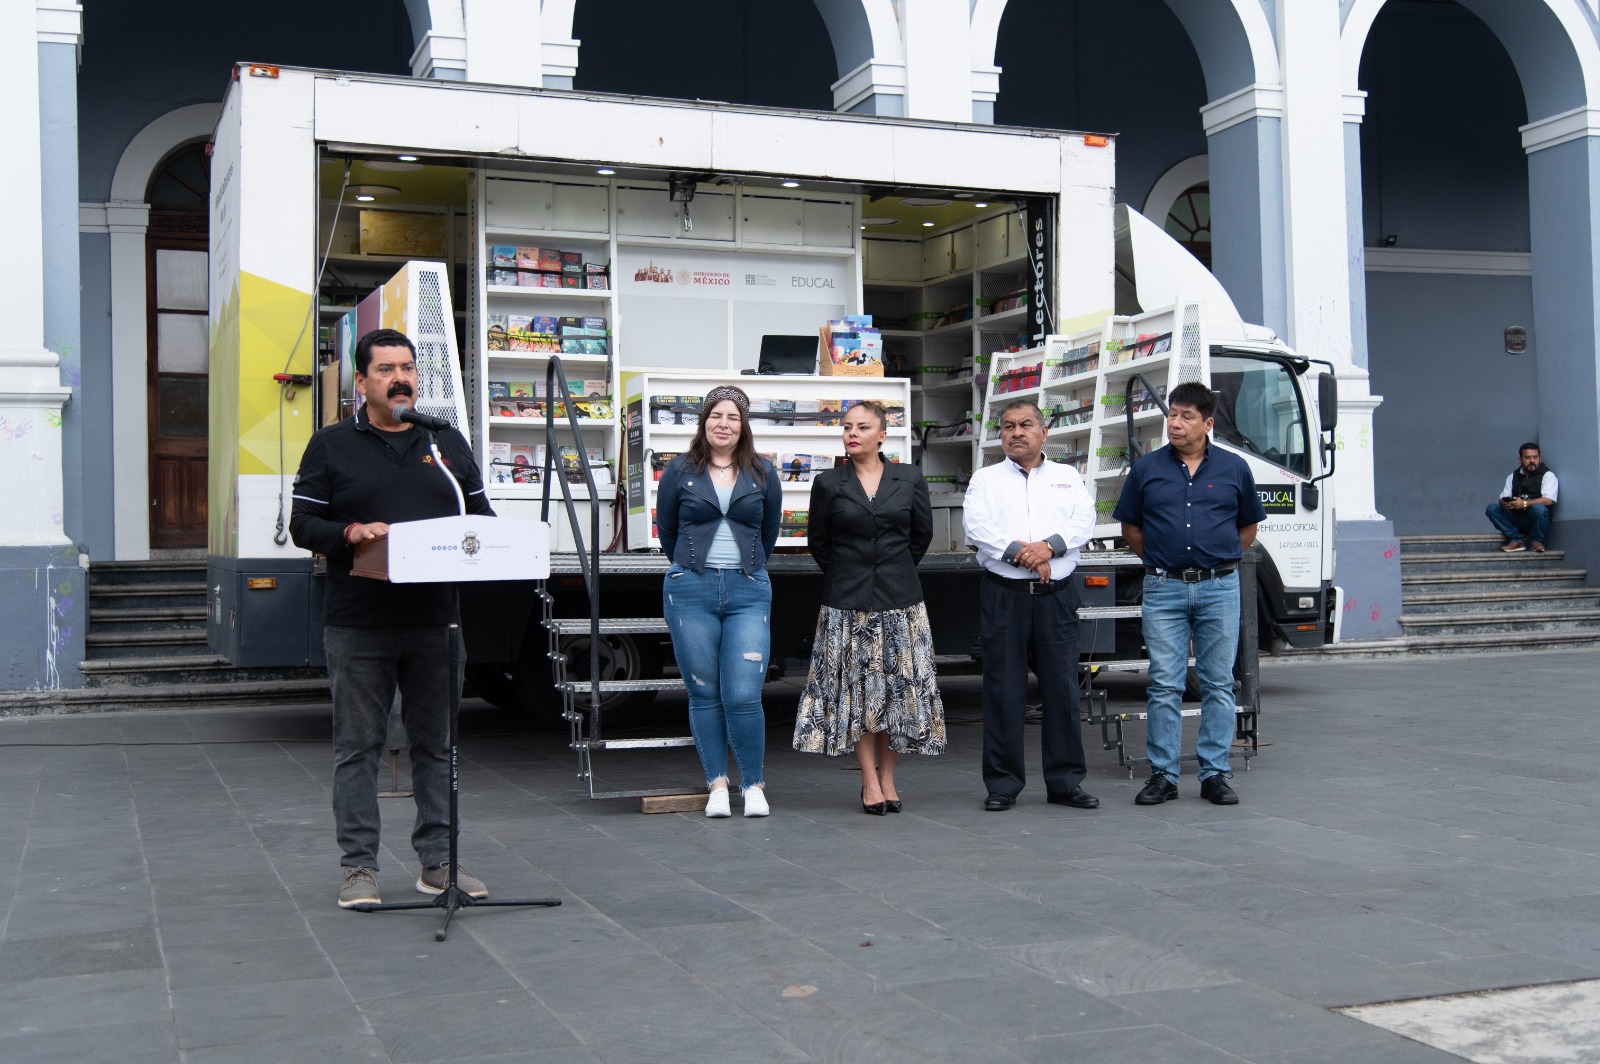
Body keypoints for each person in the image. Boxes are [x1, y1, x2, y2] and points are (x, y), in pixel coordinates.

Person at [290, 328, 496, 909]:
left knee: (438, 746)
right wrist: (352, 532)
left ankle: (439, 862)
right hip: (359, 624)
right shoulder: (331, 446)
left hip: (437, 621)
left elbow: (481, 515)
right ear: (361, 382)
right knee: (358, 748)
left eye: (407, 368)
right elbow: (303, 525)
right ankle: (359, 866)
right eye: (386, 370)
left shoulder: (444, 442)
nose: (400, 378)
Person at [1113, 381, 1267, 807]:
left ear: (1208, 423)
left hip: (1220, 587)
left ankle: (1214, 773)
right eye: (1172, 414)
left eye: (1186, 416)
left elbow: (1248, 527)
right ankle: (1163, 775)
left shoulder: (1234, 468)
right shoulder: (1146, 469)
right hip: (1164, 588)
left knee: (1218, 683)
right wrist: (1161, 560)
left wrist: (1220, 558)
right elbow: (1130, 527)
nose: (1175, 423)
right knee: (1164, 683)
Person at [793, 401, 946, 814]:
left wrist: (891, 569)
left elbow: (921, 535)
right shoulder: (828, 483)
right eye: (847, 427)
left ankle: (889, 778)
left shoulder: (909, 477)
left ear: (882, 435)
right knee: (857, 692)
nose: (852, 434)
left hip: (900, 600)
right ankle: (869, 780)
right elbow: (819, 543)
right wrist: (851, 572)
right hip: (847, 601)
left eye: (862, 427)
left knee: (897, 692)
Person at [962, 400, 1099, 812]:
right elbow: (977, 527)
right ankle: (1003, 784)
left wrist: (1049, 548)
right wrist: (1023, 555)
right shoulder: (985, 479)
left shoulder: (1066, 477)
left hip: (1056, 598)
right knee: (1003, 690)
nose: (1016, 433)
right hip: (1005, 596)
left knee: (1062, 690)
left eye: (1025, 425)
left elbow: (1083, 521)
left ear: (1044, 432)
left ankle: (1065, 782)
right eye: (1008, 427)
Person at [656, 386, 784, 818]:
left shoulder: (763, 471)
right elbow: (667, 530)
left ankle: (753, 784)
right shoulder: (679, 470)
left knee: (744, 693)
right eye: (716, 416)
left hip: (748, 589)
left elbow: (769, 532)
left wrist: (745, 565)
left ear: (743, 425)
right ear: (704, 422)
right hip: (690, 589)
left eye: (732, 417)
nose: (723, 424)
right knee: (704, 691)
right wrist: (693, 566)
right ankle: (716, 784)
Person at [1486, 443, 1558, 552]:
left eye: (1535, 457)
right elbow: (1503, 497)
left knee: (1539, 508)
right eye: (1528, 458)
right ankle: (1516, 540)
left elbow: (1548, 500)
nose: (1532, 461)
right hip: (1516, 518)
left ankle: (1536, 541)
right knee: (1492, 508)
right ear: (1520, 460)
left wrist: (1524, 504)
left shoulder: (1548, 475)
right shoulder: (1513, 476)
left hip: (1535, 520)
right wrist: (1504, 503)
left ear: (1540, 458)